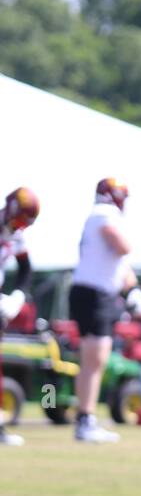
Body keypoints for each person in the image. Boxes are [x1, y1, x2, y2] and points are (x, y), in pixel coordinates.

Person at [70, 177, 135, 443]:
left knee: (94, 361)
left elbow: (121, 269)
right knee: (94, 360)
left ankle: (85, 418)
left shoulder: (98, 216)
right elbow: (120, 246)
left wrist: (133, 290)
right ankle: (85, 420)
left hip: (95, 293)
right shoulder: (103, 214)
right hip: (95, 295)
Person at [1, 187, 39, 447]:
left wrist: (17, 296)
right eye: (19, 221)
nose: (19, 227)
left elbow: (26, 269)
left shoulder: (16, 235)